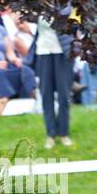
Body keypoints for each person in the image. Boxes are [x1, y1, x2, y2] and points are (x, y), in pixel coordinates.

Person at [32, 13, 75, 147]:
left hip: (62, 52)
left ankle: (64, 133)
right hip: (43, 52)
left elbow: (63, 15)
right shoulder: (34, 2)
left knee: (63, 95)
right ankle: (50, 134)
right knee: (46, 95)